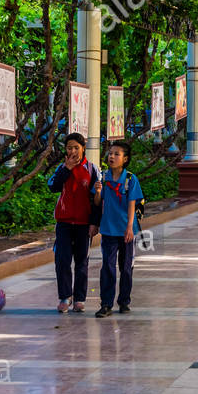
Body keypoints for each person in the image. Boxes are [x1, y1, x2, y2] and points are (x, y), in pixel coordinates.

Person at [48, 133, 99, 314]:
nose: (73, 151)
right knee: (62, 260)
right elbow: (52, 186)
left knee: (81, 262)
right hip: (64, 222)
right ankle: (65, 297)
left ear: (83, 148)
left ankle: (79, 299)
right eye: (69, 148)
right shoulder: (61, 168)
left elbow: (96, 199)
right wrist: (67, 169)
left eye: (76, 147)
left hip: (84, 223)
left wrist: (94, 223)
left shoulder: (91, 169)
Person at [94, 140, 143, 318]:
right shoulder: (103, 177)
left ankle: (124, 301)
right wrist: (97, 192)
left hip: (126, 230)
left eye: (117, 154)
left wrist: (129, 227)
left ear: (125, 159)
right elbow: (97, 203)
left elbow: (132, 204)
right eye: (110, 153)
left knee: (126, 267)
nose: (112, 157)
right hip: (108, 229)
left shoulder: (130, 179)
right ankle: (106, 304)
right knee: (107, 267)